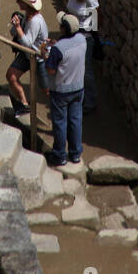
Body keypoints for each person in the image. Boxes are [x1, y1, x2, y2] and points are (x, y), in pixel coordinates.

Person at [44, 12, 87, 168]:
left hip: (61, 91)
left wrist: (46, 55)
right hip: (78, 88)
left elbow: (50, 70)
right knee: (76, 120)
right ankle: (75, 154)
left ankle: (59, 156)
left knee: (60, 123)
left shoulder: (57, 49)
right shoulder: (82, 40)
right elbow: (70, 49)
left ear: (63, 28)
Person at [6, 0, 48, 118]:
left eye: (19, 0)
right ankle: (24, 104)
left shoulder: (35, 21)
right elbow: (16, 33)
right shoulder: (28, 16)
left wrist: (18, 27)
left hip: (38, 58)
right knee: (11, 76)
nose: (17, 2)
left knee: (46, 89)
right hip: (27, 55)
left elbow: (27, 43)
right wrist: (16, 27)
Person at [66, 0, 99, 114]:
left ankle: (90, 101)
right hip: (71, 33)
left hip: (85, 37)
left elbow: (96, 20)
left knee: (86, 70)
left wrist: (89, 31)